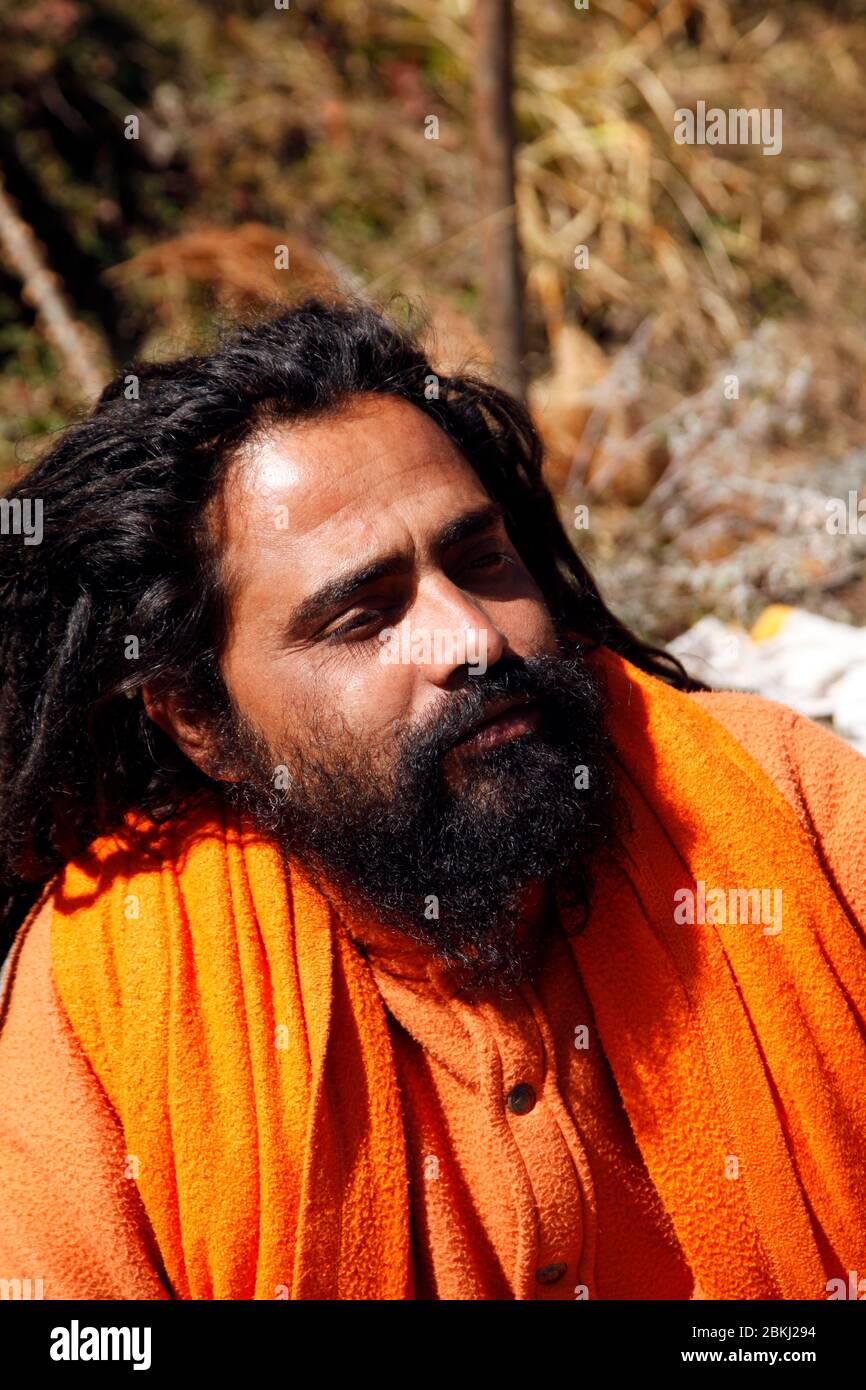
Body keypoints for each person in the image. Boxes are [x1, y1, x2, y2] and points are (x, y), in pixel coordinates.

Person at [0, 297, 864, 1301]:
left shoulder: (770, 798)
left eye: (477, 560)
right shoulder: (117, 988)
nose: (471, 639)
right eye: (362, 616)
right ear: (199, 717)